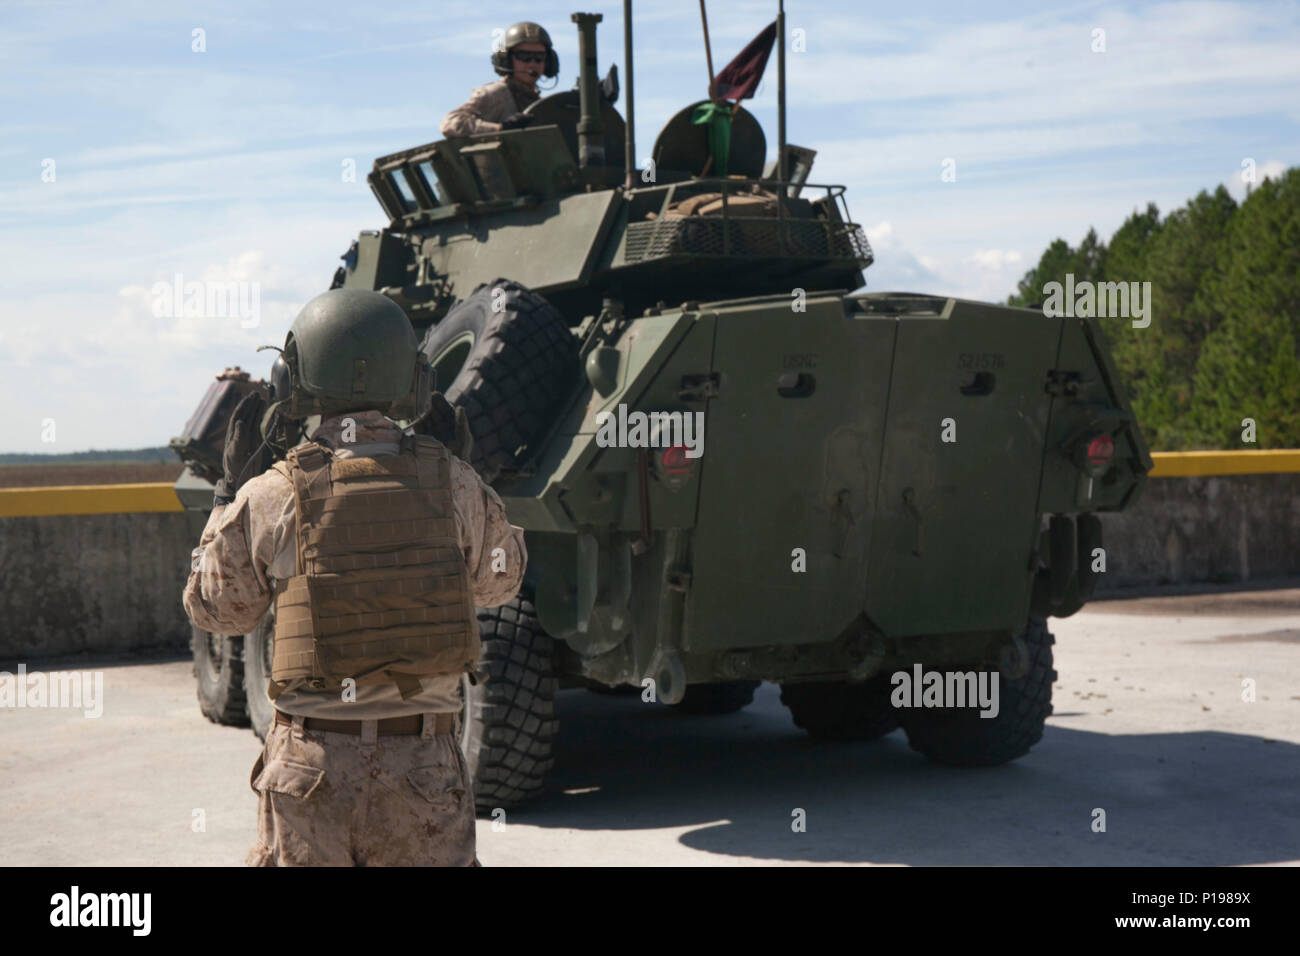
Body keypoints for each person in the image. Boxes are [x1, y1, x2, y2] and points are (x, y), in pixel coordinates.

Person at [182, 289, 526, 867]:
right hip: (422, 767)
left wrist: (224, 496)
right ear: (413, 379)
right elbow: (501, 585)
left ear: (297, 379)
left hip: (309, 766)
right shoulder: (456, 484)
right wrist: (462, 477)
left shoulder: (272, 492)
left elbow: (219, 611)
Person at [440, 21, 558, 137]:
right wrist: (501, 128)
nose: (532, 63)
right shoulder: (496, 94)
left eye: (539, 57)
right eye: (524, 56)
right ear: (506, 60)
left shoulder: (542, 104)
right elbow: (450, 123)